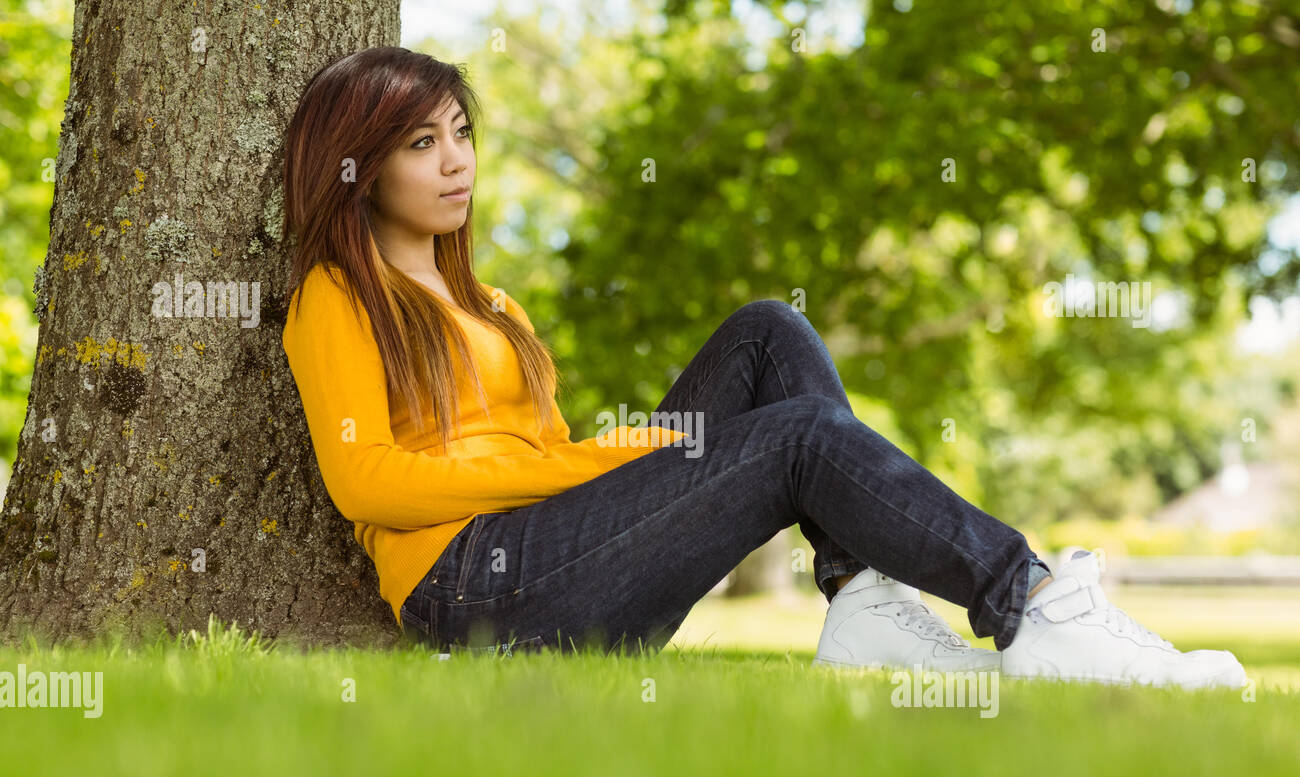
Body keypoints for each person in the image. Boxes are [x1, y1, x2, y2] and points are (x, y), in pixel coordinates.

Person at [280, 47, 1246, 691]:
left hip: (554, 564)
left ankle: (863, 602)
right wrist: (589, 465)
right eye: (419, 143)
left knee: (767, 333)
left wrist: (594, 464)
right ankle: (1031, 602)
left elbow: (548, 464)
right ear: (359, 167)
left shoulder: (495, 310)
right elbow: (365, 480)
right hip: (473, 595)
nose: (456, 162)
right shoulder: (337, 297)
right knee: (798, 439)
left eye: (461, 132)